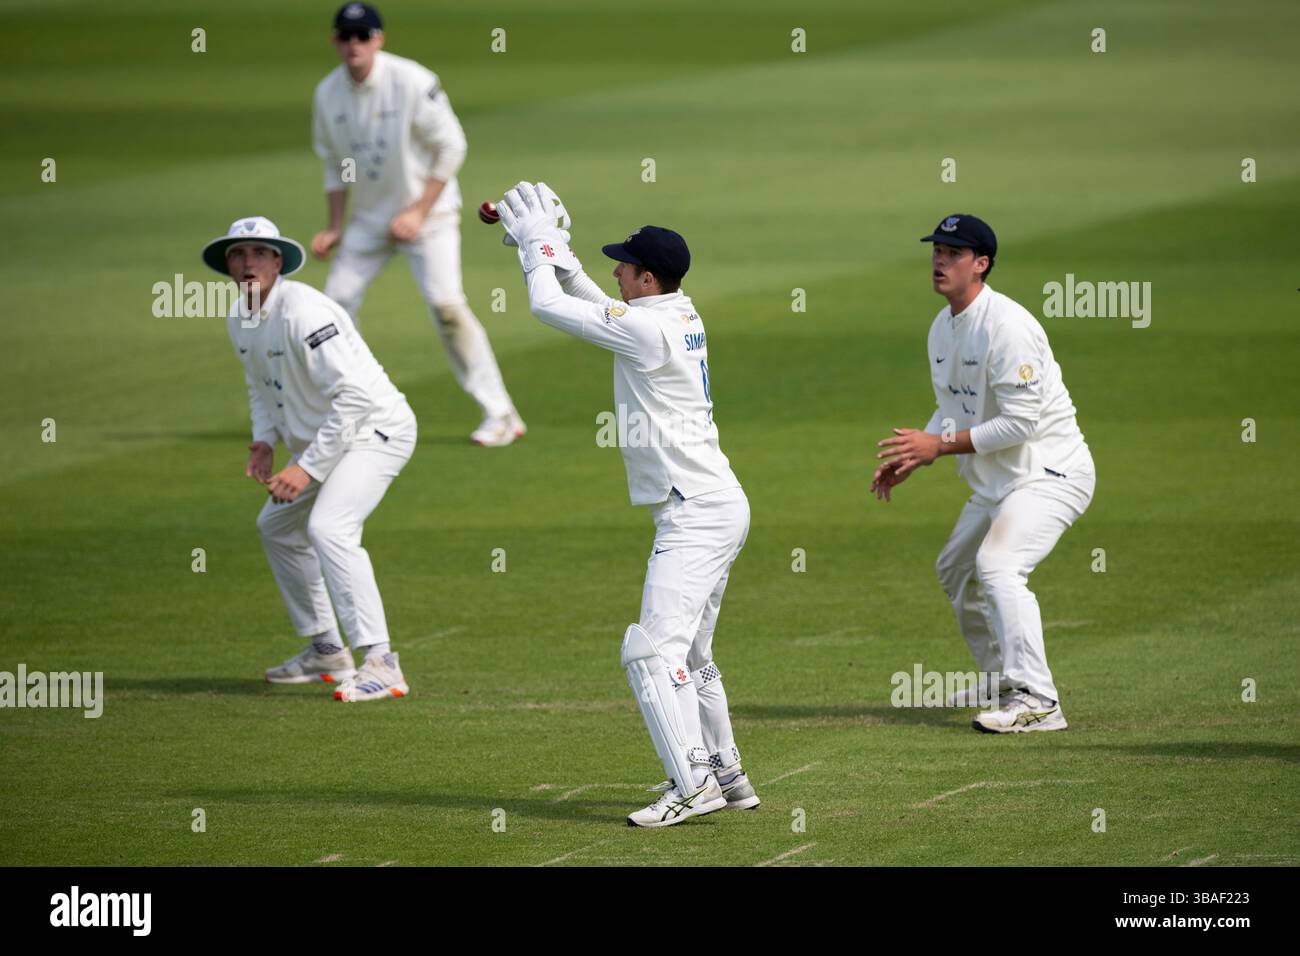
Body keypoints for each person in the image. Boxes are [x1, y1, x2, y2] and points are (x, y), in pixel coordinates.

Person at [496, 182, 758, 826]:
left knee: (651, 652)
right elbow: (599, 306)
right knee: (693, 656)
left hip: (692, 511)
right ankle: (727, 775)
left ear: (646, 278)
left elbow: (550, 310)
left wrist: (537, 248)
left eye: (622, 266)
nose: (613, 271)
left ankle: (691, 786)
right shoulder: (677, 315)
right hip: (718, 501)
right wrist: (564, 259)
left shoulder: (649, 332)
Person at [872, 214, 1096, 733]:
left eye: (954, 253)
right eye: (936, 251)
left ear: (982, 264)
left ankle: (1039, 699)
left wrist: (939, 445)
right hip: (998, 480)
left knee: (997, 565)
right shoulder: (943, 327)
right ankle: (1001, 676)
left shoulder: (1009, 327)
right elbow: (954, 406)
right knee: (956, 567)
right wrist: (916, 454)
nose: (940, 261)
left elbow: (1021, 423)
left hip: (1048, 473)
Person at [202, 215, 415, 702]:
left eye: (258, 253)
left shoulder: (306, 314)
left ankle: (382, 662)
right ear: (228, 266)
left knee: (329, 528)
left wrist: (306, 468)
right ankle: (326, 649)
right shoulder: (239, 316)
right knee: (276, 527)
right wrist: (263, 441)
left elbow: (355, 398)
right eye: (238, 254)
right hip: (329, 440)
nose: (247, 262)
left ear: (278, 262)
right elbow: (260, 386)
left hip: (376, 430)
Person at [310, 2, 524, 446]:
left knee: (447, 307)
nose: (354, 44)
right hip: (370, 219)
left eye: (363, 36)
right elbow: (335, 165)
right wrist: (335, 226)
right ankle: (354, 406)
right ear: (335, 41)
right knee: (333, 307)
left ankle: (501, 414)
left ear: (378, 40)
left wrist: (417, 212)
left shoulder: (411, 81)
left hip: (430, 215)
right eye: (346, 36)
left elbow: (452, 147)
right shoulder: (327, 94)